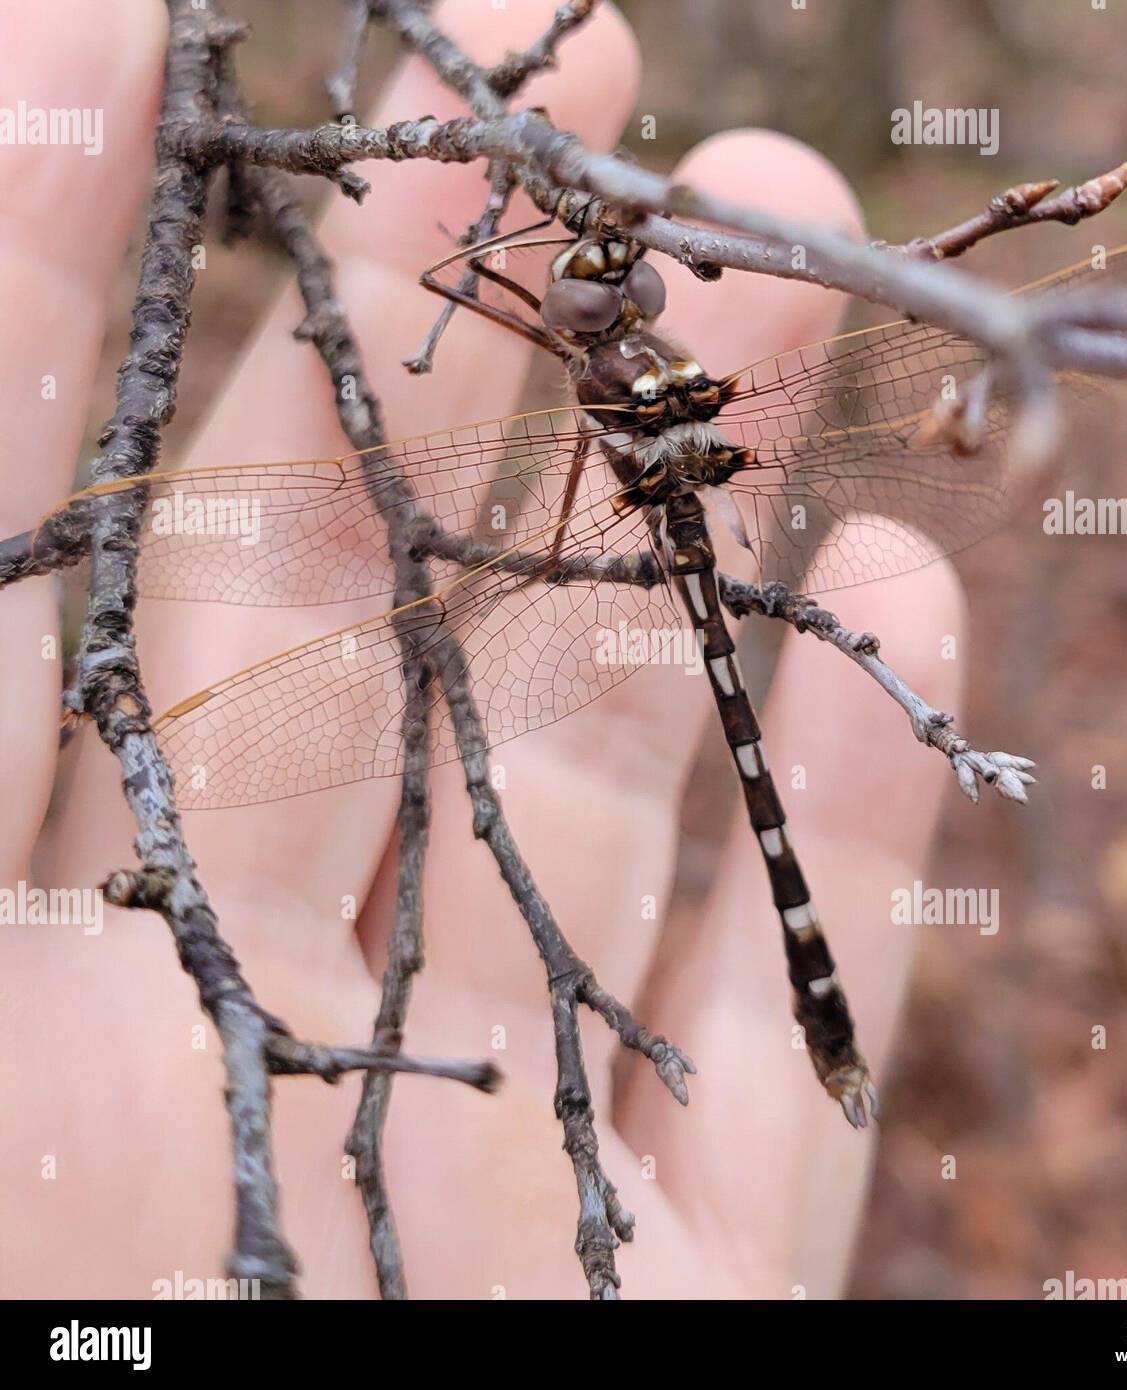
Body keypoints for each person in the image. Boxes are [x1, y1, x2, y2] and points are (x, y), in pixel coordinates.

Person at [0, 0, 961, 1299]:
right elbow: (489, 323)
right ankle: (825, 1021)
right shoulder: (621, 377)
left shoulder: (619, 372)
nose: (613, 288)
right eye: (596, 282)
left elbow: (468, 293)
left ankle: (824, 1024)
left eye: (621, 282)